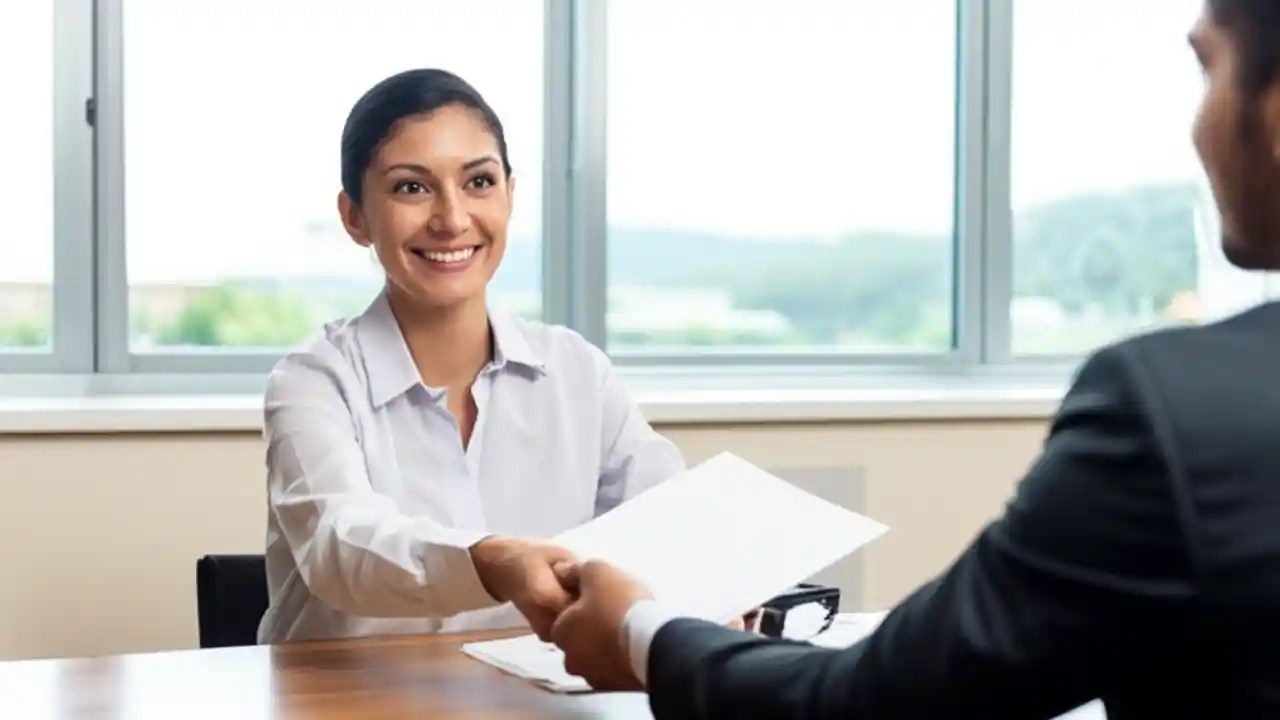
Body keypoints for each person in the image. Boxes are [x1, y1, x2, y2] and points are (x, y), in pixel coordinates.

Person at [546, 1, 1280, 716]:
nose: (1199, 124)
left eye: (1208, 69)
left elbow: (877, 702)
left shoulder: (1178, 415)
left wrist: (639, 633)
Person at [257, 69, 684, 644]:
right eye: (412, 187)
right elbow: (341, 546)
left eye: (479, 182)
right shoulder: (314, 382)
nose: (452, 219)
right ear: (355, 216)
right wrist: (492, 561)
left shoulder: (577, 372)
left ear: (510, 192)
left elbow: (670, 521)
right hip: (349, 699)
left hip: (538, 697)